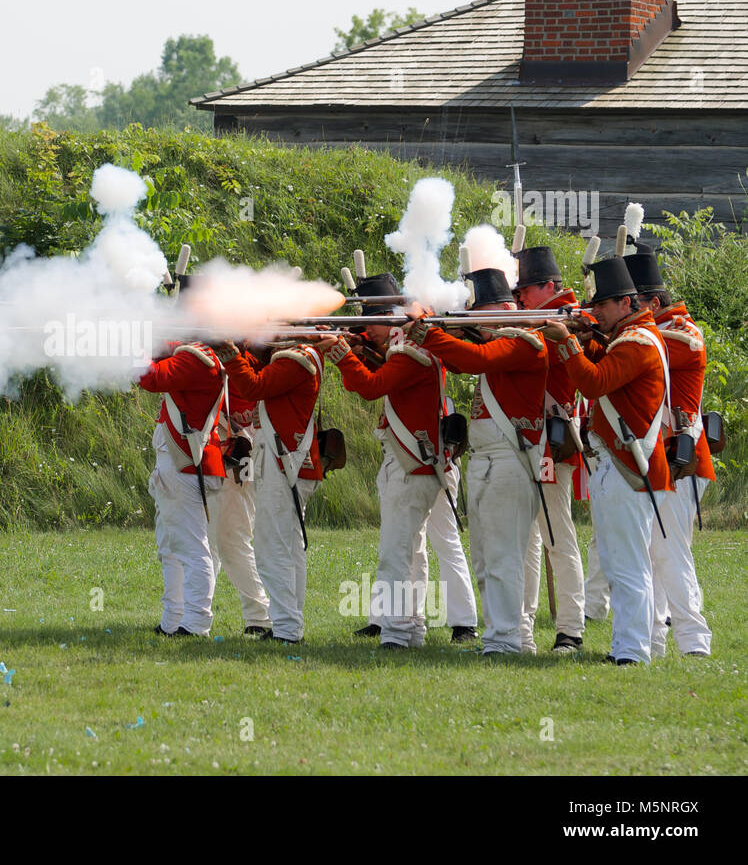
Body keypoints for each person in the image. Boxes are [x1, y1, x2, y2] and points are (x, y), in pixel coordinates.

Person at [318, 271, 478, 648]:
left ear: (389, 317)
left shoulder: (407, 352)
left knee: (397, 554)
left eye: (368, 323)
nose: (366, 330)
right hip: (422, 461)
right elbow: (374, 379)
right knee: (414, 552)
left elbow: (371, 387)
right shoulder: (404, 347)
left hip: (412, 466)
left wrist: (342, 355)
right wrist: (356, 351)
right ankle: (411, 627)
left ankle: (397, 633)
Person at [410, 266, 550, 656]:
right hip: (488, 460)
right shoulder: (500, 342)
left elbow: (475, 359)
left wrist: (431, 333)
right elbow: (461, 359)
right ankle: (507, 636)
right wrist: (439, 335)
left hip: (510, 459)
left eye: (479, 313)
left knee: (504, 556)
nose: (475, 322)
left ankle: (505, 640)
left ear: (502, 308)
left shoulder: (525, 340)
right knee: (488, 557)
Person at [542, 256, 673, 665]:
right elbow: (607, 365)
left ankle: (632, 651)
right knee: (627, 564)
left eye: (604, 304)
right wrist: (585, 339)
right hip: (623, 465)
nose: (596, 310)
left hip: (626, 467)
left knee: (625, 566)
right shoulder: (632, 338)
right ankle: (645, 643)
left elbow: (594, 381)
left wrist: (565, 342)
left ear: (627, 304)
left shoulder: (636, 342)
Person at [624, 245, 713, 657]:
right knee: (653, 551)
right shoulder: (649, 335)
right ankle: (655, 639)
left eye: (632, 303)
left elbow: (657, 348)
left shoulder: (682, 334)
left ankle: (694, 639)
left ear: (653, 303)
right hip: (657, 457)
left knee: (669, 550)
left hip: (682, 460)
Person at [218, 339, 323, 644]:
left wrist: (230, 353)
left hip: (283, 462)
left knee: (272, 548)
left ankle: (288, 628)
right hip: (283, 460)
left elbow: (252, 387)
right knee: (288, 548)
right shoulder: (293, 355)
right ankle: (288, 623)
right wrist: (249, 350)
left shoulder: (295, 358)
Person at [512, 246, 588, 654]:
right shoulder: (536, 317)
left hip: (552, 441)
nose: (521, 296)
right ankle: (521, 628)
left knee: (558, 537)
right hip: (525, 439)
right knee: (525, 540)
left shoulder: (569, 317)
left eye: (526, 288)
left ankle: (570, 630)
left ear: (547, 286)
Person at [138, 342, 228, 637]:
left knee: (191, 548)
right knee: (171, 547)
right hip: (182, 463)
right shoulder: (193, 354)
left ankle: (195, 623)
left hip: (185, 463)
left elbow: (151, 378)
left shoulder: (194, 358)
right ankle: (173, 619)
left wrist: (133, 346)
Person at [207, 343, 274, 637]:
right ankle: (190, 610)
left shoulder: (247, 355)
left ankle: (260, 616)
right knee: (211, 537)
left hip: (237, 449)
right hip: (220, 447)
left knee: (230, 536)